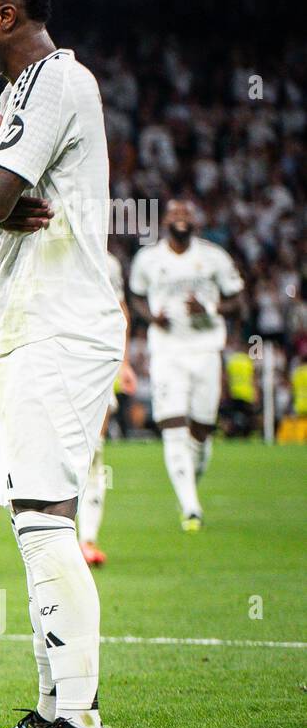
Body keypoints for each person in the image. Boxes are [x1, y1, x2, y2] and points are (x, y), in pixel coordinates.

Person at [0, 0, 124, 728]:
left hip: (60, 320)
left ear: (5, 14)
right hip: (30, 319)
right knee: (34, 517)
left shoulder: (56, 80)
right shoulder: (23, 88)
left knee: (46, 518)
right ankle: (55, 703)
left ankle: (83, 722)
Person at [129, 199, 245, 529]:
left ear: (196, 221)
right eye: (175, 214)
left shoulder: (214, 257)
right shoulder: (148, 259)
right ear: (165, 221)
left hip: (206, 349)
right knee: (173, 427)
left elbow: (239, 301)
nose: (180, 218)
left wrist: (208, 309)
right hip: (167, 351)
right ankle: (191, 508)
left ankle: (188, 488)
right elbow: (136, 295)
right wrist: (152, 316)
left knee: (202, 430)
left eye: (187, 214)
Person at [77, 252, 138, 566]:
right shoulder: (41, 244)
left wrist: (124, 363)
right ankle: (52, 538)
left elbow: (120, 311)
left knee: (93, 452)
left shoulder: (108, 262)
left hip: (97, 364)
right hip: (54, 362)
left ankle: (87, 540)